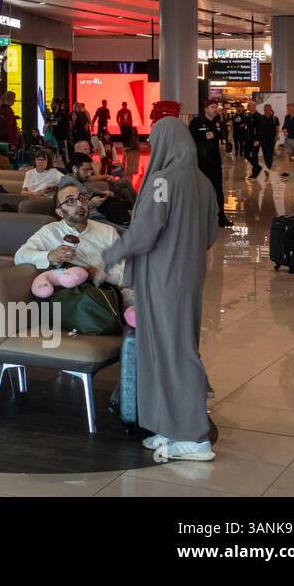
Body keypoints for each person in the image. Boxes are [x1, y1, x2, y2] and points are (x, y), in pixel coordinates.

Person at [103, 117, 220, 461]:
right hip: (187, 277)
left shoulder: (162, 182)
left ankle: (193, 436)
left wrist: (110, 255)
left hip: (163, 279)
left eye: (153, 143)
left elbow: (143, 233)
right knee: (167, 349)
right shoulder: (202, 182)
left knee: (174, 352)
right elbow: (210, 234)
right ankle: (169, 425)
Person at [14, 180, 131, 304]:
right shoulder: (50, 232)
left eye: (82, 198)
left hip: (121, 294)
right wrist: (50, 256)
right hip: (84, 299)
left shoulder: (108, 231)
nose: (80, 204)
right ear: (60, 212)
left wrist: (104, 274)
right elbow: (20, 256)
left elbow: (129, 270)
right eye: (70, 201)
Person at [190, 100, 233, 228]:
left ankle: (221, 218)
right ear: (205, 108)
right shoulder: (197, 122)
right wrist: (203, 135)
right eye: (212, 107)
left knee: (218, 190)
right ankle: (198, 218)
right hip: (200, 162)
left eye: (216, 107)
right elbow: (190, 136)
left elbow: (222, 134)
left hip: (214, 162)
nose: (215, 109)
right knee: (200, 190)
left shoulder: (218, 122)